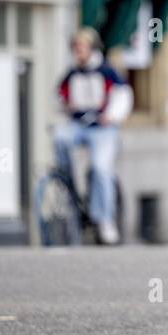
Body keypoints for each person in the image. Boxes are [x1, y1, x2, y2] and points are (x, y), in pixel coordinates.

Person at [55, 28, 132, 244]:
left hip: (103, 127)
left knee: (100, 167)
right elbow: (60, 95)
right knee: (60, 138)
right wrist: (65, 106)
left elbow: (123, 95)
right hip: (79, 124)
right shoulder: (71, 73)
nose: (78, 52)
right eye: (75, 48)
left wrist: (112, 115)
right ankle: (65, 179)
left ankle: (104, 219)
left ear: (92, 49)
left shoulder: (107, 71)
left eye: (82, 47)